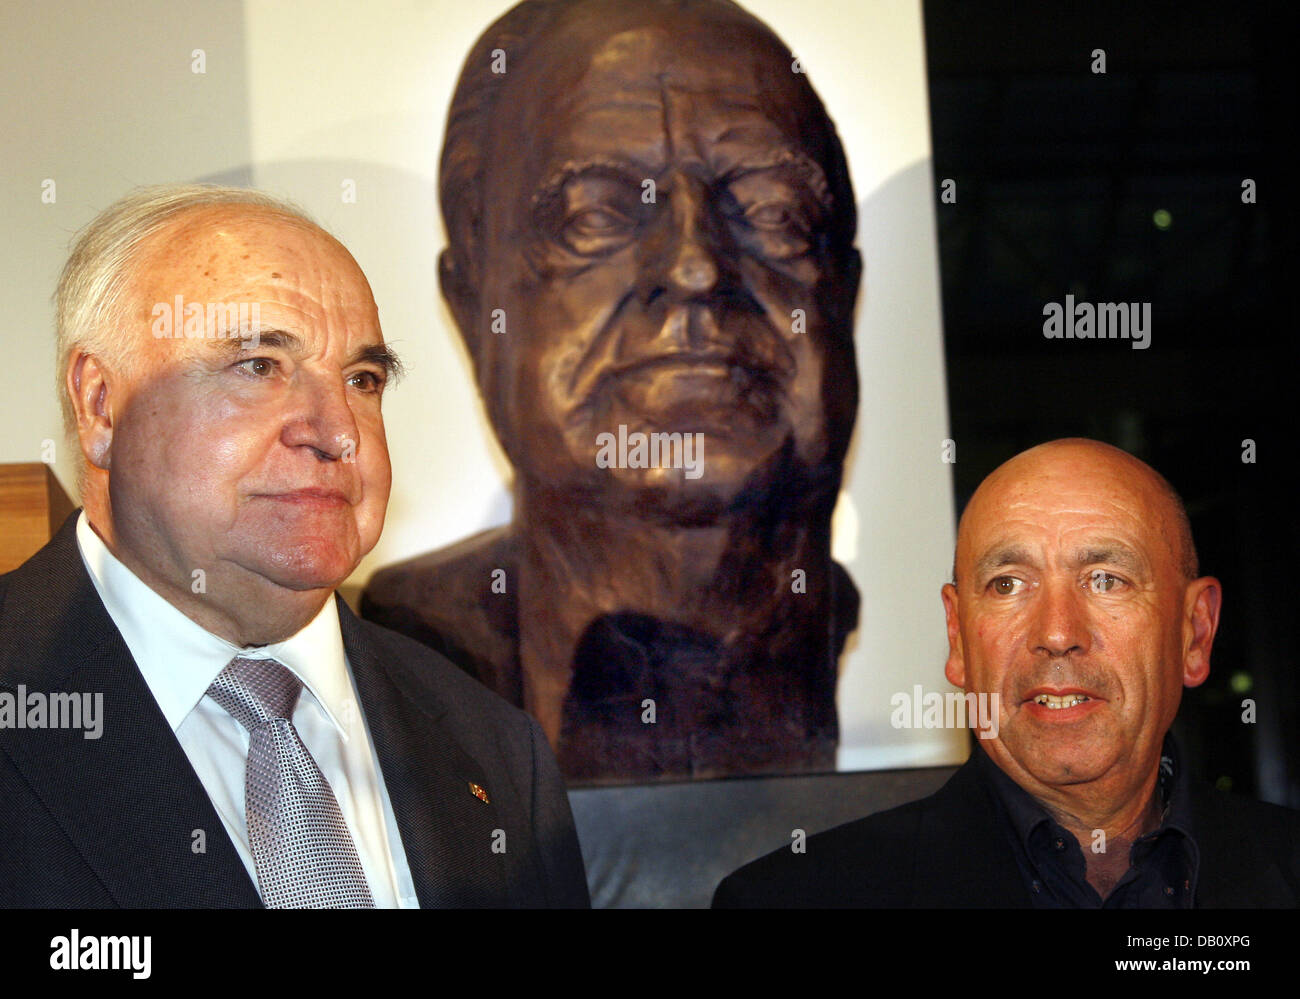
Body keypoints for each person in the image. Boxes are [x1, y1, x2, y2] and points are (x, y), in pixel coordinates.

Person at [0, 185, 589, 908]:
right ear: (101, 404)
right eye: (258, 365)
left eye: (363, 379)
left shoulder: (498, 754)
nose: (336, 428)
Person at [362, 0, 862, 781]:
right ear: (471, 307)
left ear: (844, 292)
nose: (696, 268)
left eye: (772, 212)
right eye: (594, 215)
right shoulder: (393, 651)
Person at [714, 438, 1300, 907]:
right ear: (959, 638)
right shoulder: (794, 898)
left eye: (1105, 579)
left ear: (1194, 633)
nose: (1056, 632)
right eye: (1008, 585)